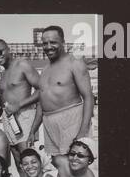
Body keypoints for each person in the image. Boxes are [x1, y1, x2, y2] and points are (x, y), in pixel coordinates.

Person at [38, 25, 94, 161]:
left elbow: (88, 97)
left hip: (71, 120)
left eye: (53, 42)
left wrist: (82, 132)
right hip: (49, 123)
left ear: (63, 42)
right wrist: (34, 129)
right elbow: (42, 101)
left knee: (76, 166)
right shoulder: (45, 70)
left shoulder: (74, 63)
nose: (48, 46)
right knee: (59, 165)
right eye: (45, 43)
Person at [0, 38, 43, 175]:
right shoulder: (3, 74)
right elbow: (2, 101)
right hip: (9, 120)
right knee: (18, 163)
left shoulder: (22, 65)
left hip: (25, 116)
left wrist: (19, 105)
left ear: (8, 49)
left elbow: (42, 90)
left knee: (29, 161)